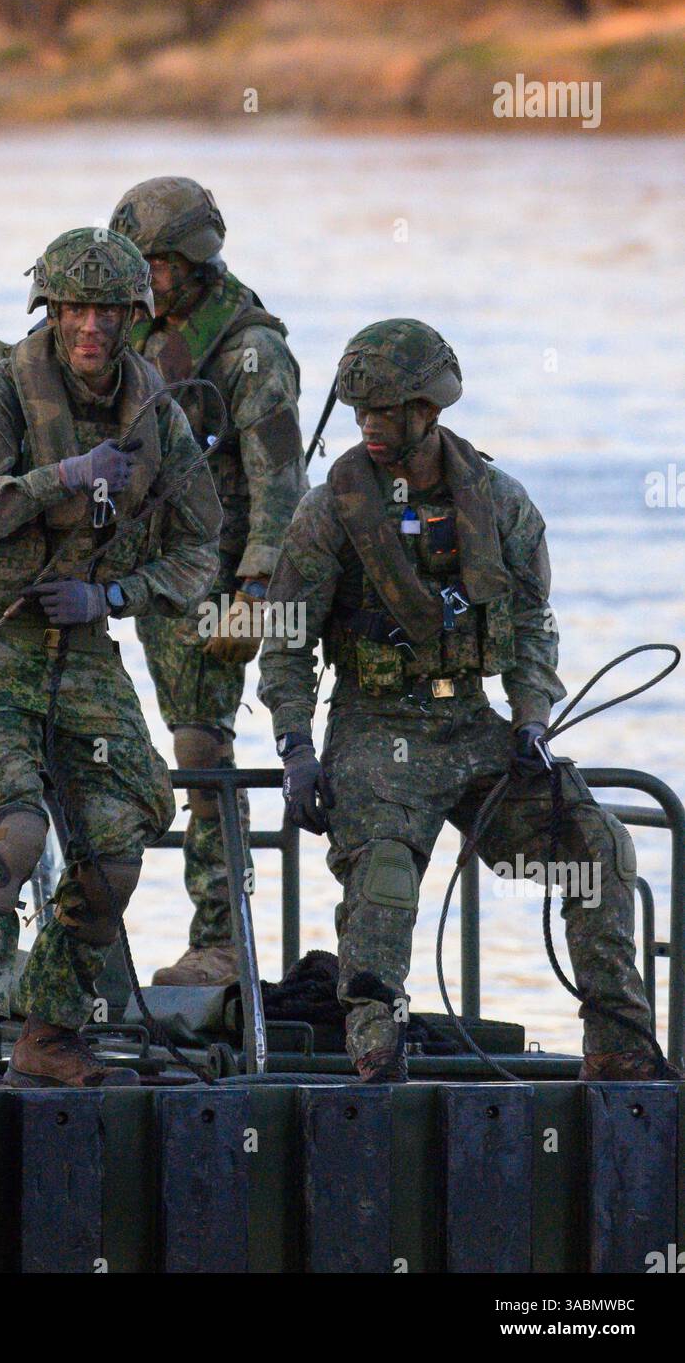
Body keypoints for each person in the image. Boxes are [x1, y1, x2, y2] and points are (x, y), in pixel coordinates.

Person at [0, 178, 306, 987]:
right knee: (61, 795)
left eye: (153, 265)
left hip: (204, 574)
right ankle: (50, 990)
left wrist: (257, 591)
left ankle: (221, 935)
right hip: (110, 562)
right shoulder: (126, 326)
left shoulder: (248, 350)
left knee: (199, 750)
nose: (119, 297)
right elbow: (23, 369)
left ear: (190, 262)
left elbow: (280, 485)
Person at [258, 318, 673, 1083]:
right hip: (374, 725)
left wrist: (531, 721)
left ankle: (620, 1049)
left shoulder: (500, 503)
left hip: (474, 727)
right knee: (383, 873)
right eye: (362, 414)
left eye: (388, 411)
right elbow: (285, 643)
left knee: (597, 846)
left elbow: (531, 626)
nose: (373, 428)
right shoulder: (330, 513)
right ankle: (376, 1054)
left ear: (430, 410)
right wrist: (296, 749)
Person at [0, 227, 221, 1086]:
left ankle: (51, 1031)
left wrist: (115, 596)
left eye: (109, 310)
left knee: (116, 848)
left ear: (135, 316)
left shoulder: (156, 414)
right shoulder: (2, 394)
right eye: (75, 308)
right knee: (15, 830)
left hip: (84, 641)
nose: (91, 326)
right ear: (51, 311)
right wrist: (60, 479)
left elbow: (202, 547)